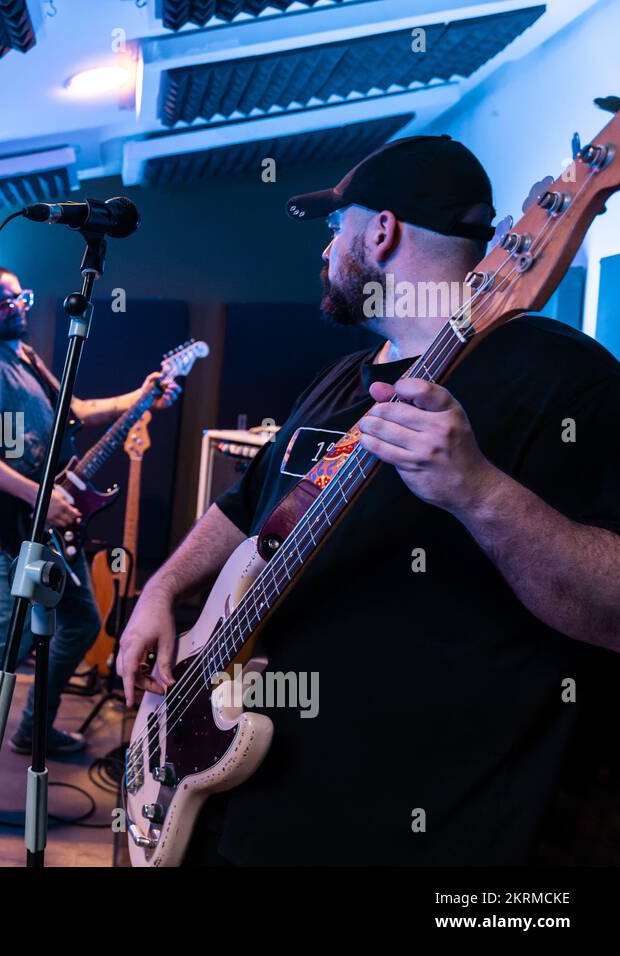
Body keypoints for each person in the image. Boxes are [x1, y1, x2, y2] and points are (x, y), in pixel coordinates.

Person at [117, 135, 620, 865]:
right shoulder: (344, 378)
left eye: (334, 228)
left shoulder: (561, 376)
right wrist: (160, 590)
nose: (325, 251)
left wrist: (477, 492)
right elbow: (244, 507)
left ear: (379, 232)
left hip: (416, 832)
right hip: (243, 810)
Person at [0, 264, 180, 827]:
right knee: (0, 650)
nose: (18, 306)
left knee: (80, 626)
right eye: (2, 303)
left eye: (21, 296)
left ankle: (31, 728)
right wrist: (40, 498)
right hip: (12, 528)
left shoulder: (26, 359)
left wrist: (137, 397)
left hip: (49, 527)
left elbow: (72, 413)